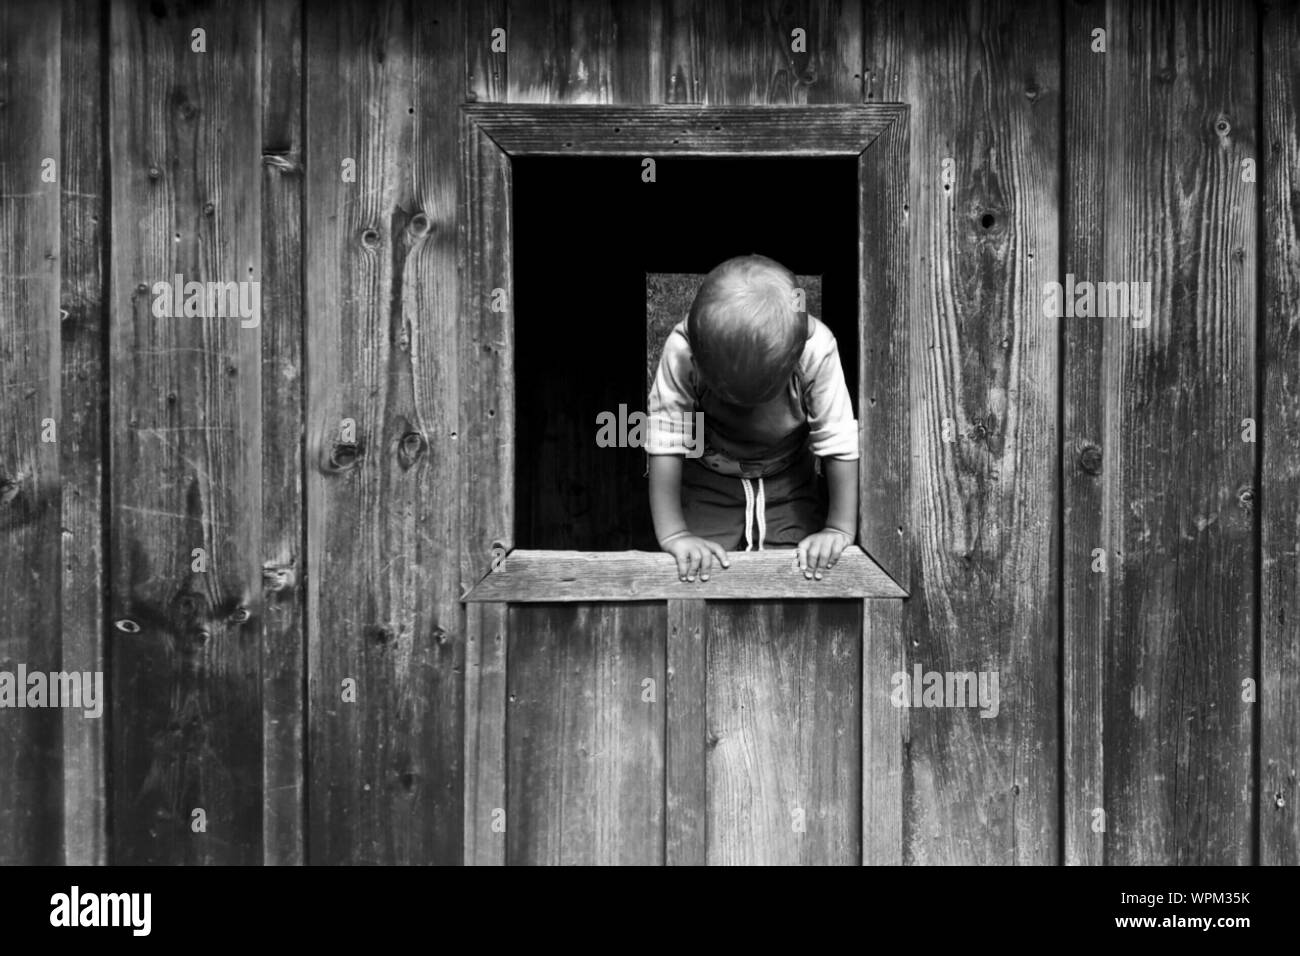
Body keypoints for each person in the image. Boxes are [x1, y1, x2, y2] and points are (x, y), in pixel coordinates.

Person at [646, 254, 860, 583]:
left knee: (798, 563)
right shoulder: (683, 351)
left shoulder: (816, 350)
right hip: (708, 472)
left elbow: (839, 441)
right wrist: (674, 534)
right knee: (703, 566)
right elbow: (664, 439)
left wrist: (838, 527)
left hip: (788, 475)